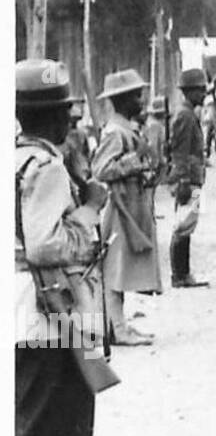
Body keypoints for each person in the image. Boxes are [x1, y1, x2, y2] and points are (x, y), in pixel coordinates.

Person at [14, 59, 113, 436]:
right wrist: (90, 211)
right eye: (66, 114)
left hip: (20, 313)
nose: (70, 122)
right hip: (52, 316)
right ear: (55, 117)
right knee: (61, 435)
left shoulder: (15, 159)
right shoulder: (48, 166)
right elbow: (45, 244)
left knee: (31, 426)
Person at [91, 69, 161, 346]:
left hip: (132, 203)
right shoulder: (115, 132)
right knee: (114, 269)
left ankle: (118, 325)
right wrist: (135, 160)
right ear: (122, 100)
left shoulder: (128, 129)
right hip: (119, 207)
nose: (141, 100)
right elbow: (101, 169)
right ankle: (116, 329)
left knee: (121, 267)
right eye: (136, 96)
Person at [168, 68, 209, 288]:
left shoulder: (188, 113)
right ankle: (180, 275)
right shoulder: (185, 115)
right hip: (188, 179)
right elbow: (179, 152)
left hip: (192, 177)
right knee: (183, 225)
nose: (204, 94)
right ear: (190, 91)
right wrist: (182, 180)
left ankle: (183, 273)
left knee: (188, 224)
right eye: (200, 90)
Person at [141, 95, 168, 170]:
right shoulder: (154, 125)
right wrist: (156, 164)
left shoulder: (155, 124)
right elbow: (153, 145)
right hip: (157, 165)